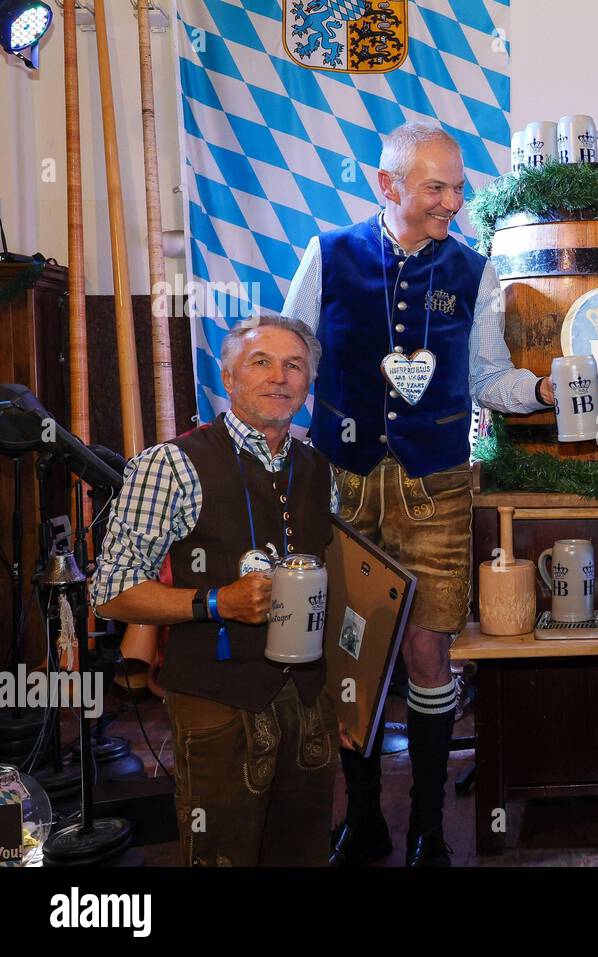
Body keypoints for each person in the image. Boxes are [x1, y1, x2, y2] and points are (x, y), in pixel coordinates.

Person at [282, 122, 553, 867]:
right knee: (354, 656)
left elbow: (489, 379)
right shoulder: (329, 255)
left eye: (459, 187)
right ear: (387, 184)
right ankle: (363, 820)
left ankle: (427, 829)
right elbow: (292, 353)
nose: (453, 202)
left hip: (436, 489)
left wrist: (544, 389)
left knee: (432, 654)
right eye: (437, 187)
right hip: (344, 485)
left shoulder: (475, 270)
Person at [91, 314, 338, 866]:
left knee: (302, 851)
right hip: (217, 703)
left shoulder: (319, 468)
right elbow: (109, 591)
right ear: (227, 379)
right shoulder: (170, 464)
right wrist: (212, 602)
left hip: (308, 704)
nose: (279, 376)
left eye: (294, 365)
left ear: (308, 383)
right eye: (261, 362)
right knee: (222, 853)